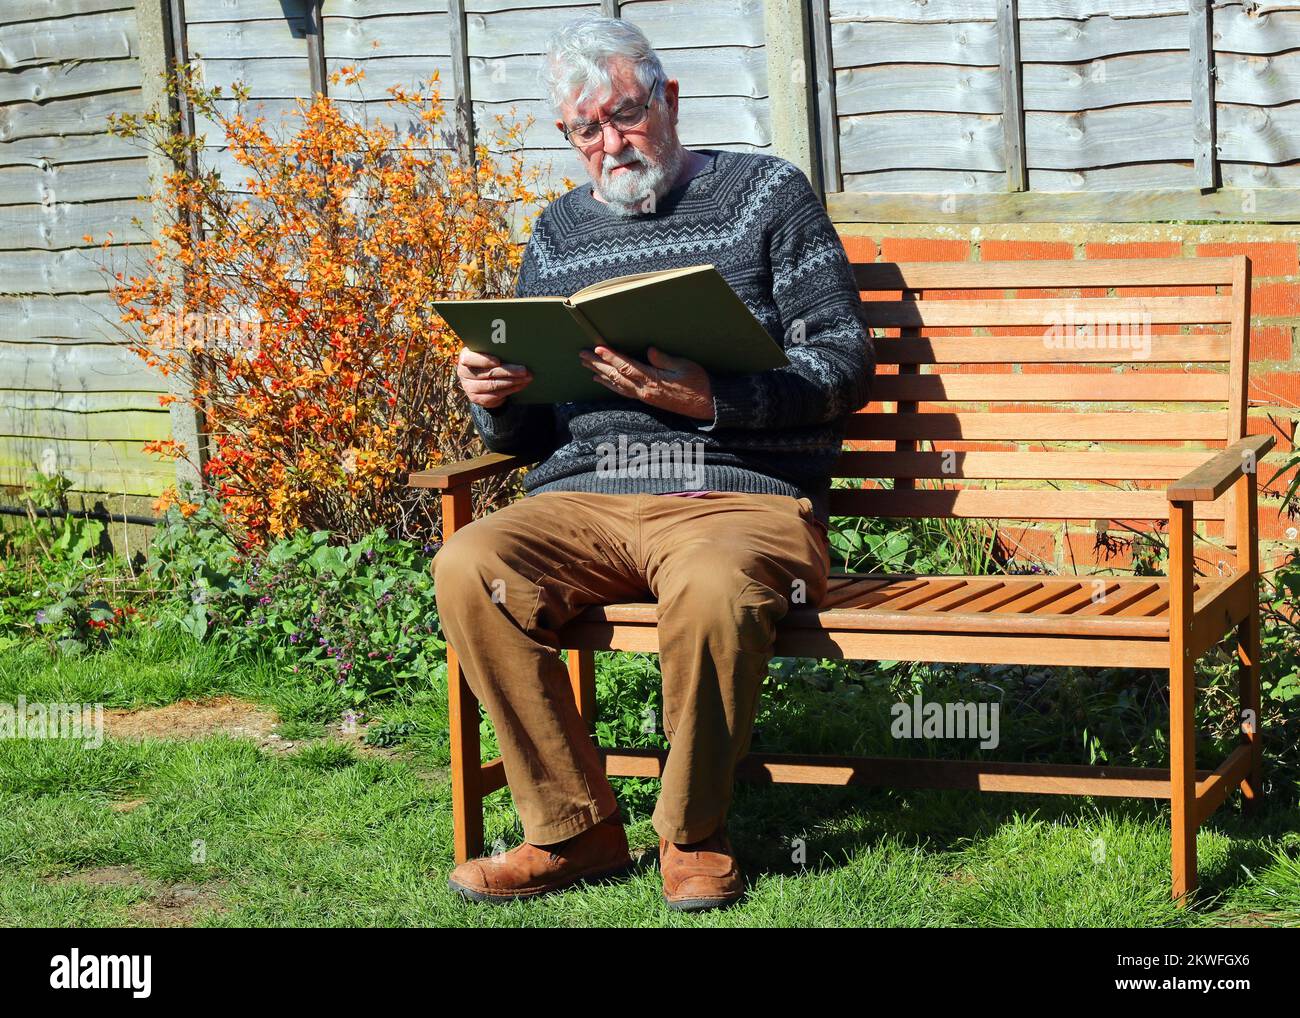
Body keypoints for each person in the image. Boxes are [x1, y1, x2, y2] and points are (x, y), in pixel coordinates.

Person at [434, 14, 874, 911]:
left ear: (668, 99)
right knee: (468, 563)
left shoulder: (767, 196)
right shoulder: (558, 231)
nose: (609, 143)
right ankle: (574, 831)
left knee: (715, 587)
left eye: (625, 115)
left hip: (738, 499)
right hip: (585, 500)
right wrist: (496, 398)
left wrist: (711, 401)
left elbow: (842, 365)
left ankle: (691, 833)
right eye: (584, 130)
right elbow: (526, 435)